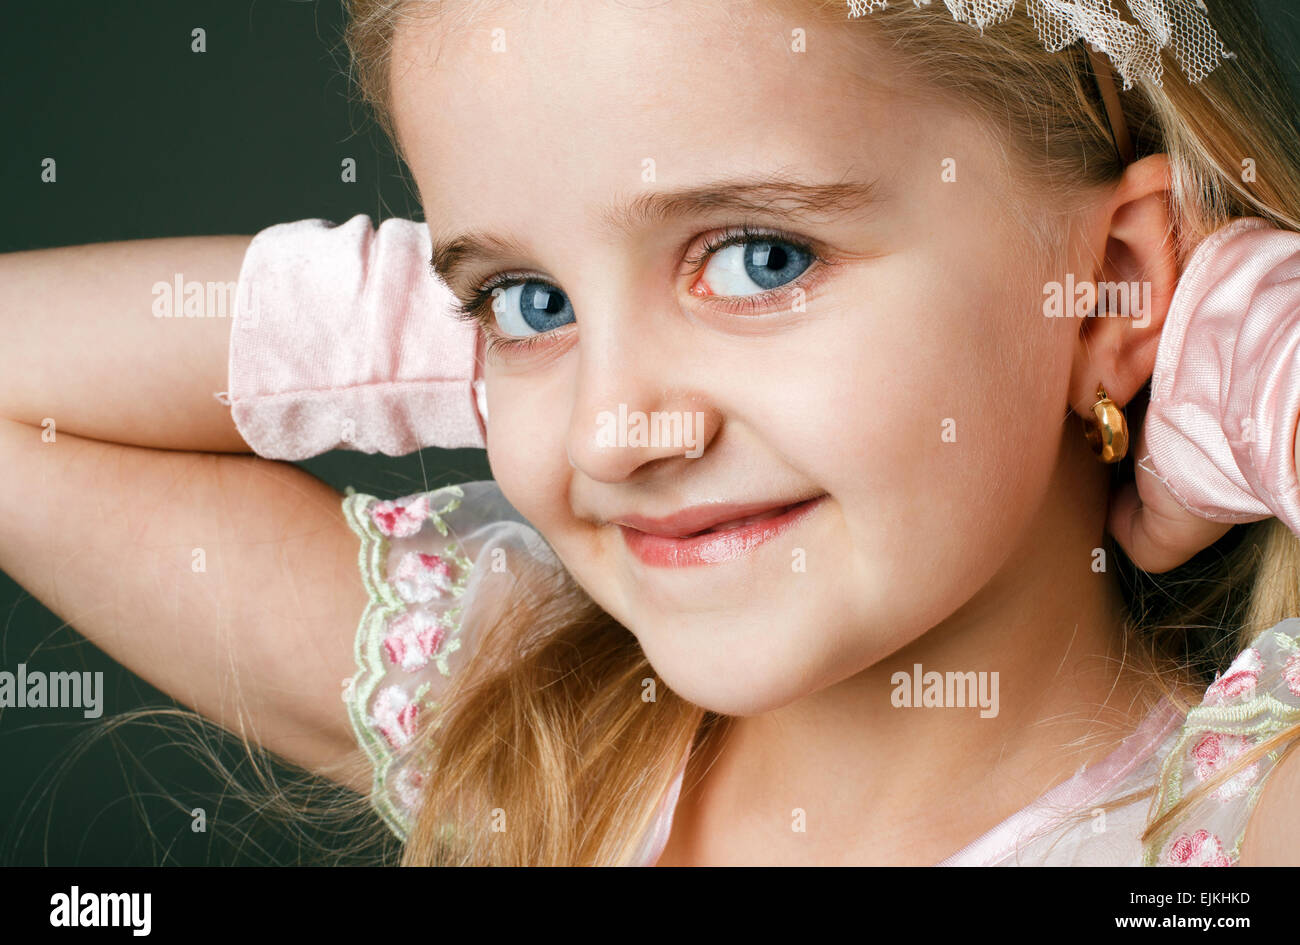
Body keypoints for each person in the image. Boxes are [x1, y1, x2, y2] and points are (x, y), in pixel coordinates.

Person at [4, 0, 1300, 865]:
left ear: (1117, 283)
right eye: (519, 299)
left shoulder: (1231, 838)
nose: (615, 436)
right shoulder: (523, 723)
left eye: (759, 258)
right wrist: (435, 335)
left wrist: (1268, 366)